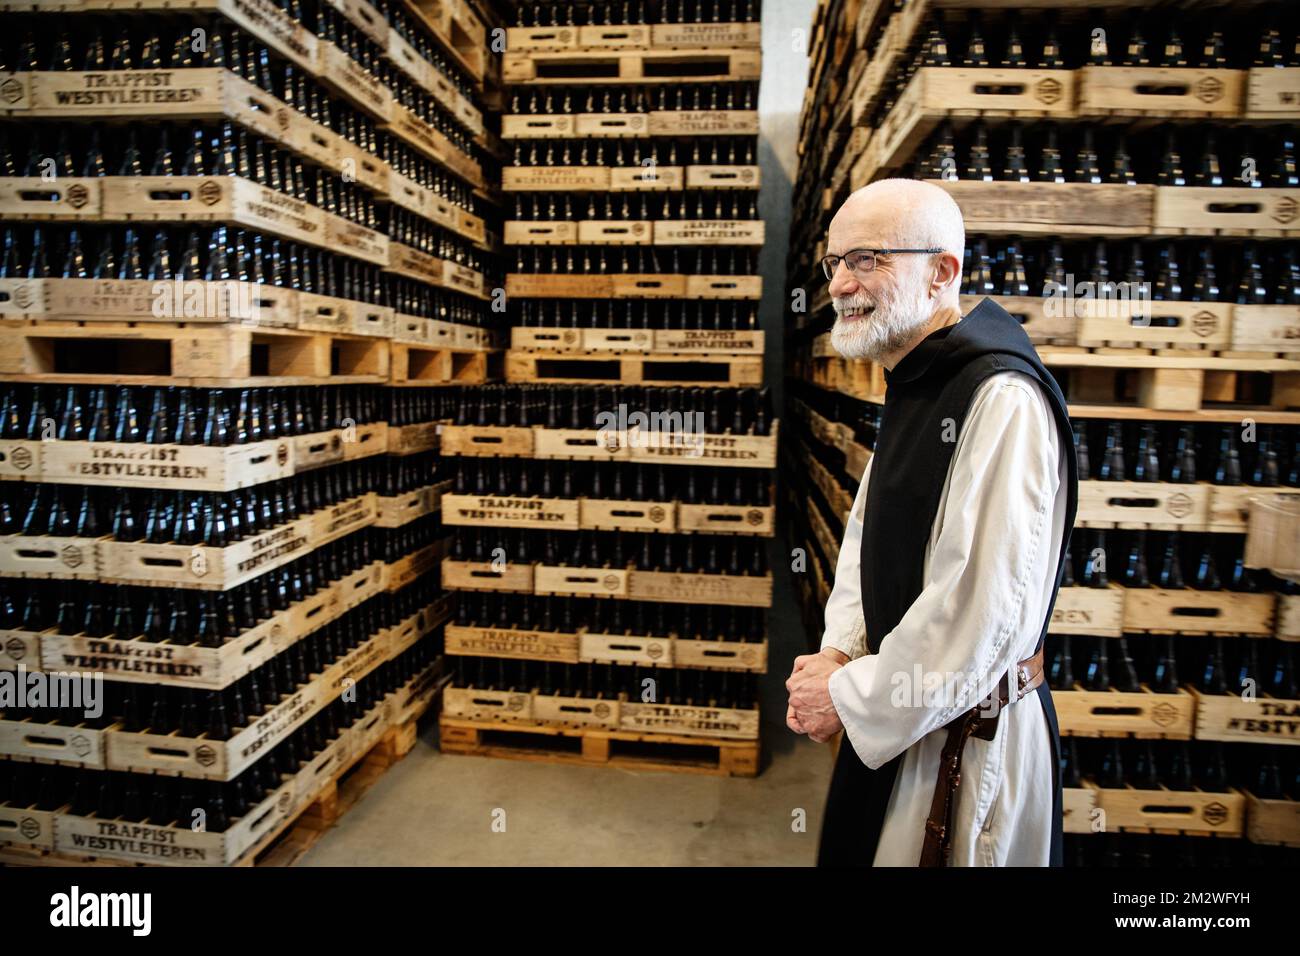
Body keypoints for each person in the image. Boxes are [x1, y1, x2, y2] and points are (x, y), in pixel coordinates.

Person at [785, 179, 1078, 866]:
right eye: (835, 264)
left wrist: (850, 695)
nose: (840, 285)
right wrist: (840, 653)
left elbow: (978, 614)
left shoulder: (999, 397)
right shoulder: (921, 379)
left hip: (958, 741)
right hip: (901, 712)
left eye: (867, 260)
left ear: (942, 271)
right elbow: (869, 535)